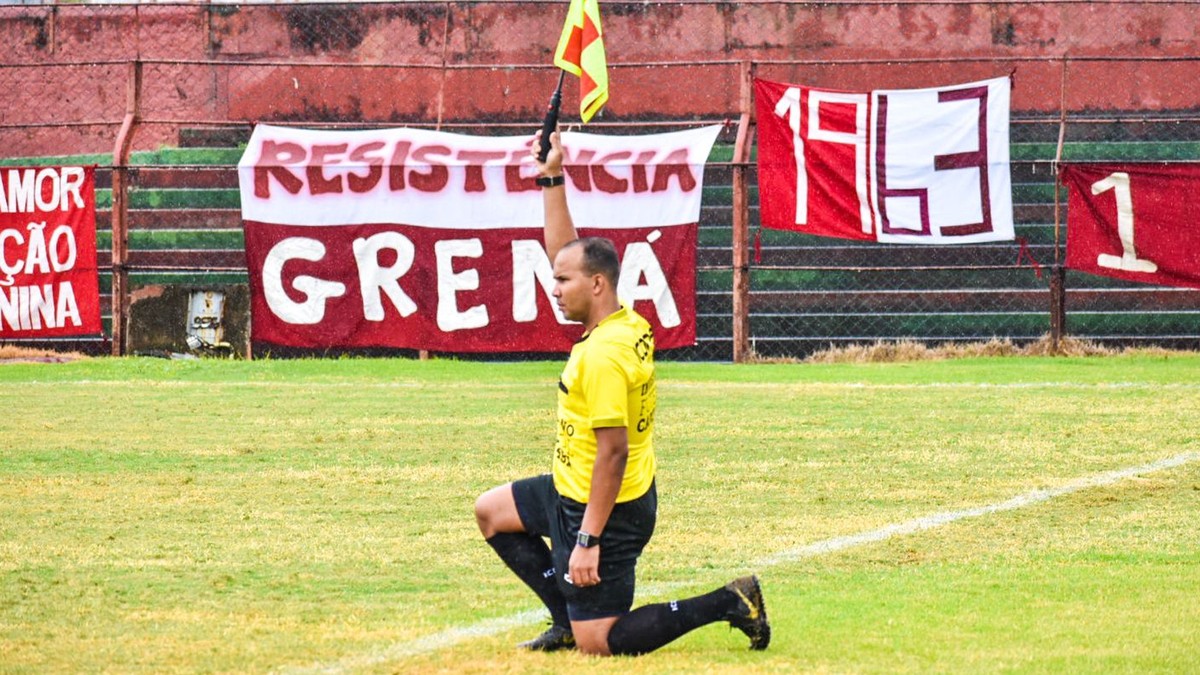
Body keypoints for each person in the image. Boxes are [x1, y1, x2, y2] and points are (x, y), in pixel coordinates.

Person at [472, 130, 771, 657]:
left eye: (562, 282)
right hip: (572, 487)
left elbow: (613, 452)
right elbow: (569, 254)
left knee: (602, 642)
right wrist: (551, 177)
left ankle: (728, 600)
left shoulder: (603, 356)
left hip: (605, 505)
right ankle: (565, 617)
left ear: (595, 287)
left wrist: (587, 541)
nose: (554, 287)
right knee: (491, 512)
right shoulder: (620, 316)